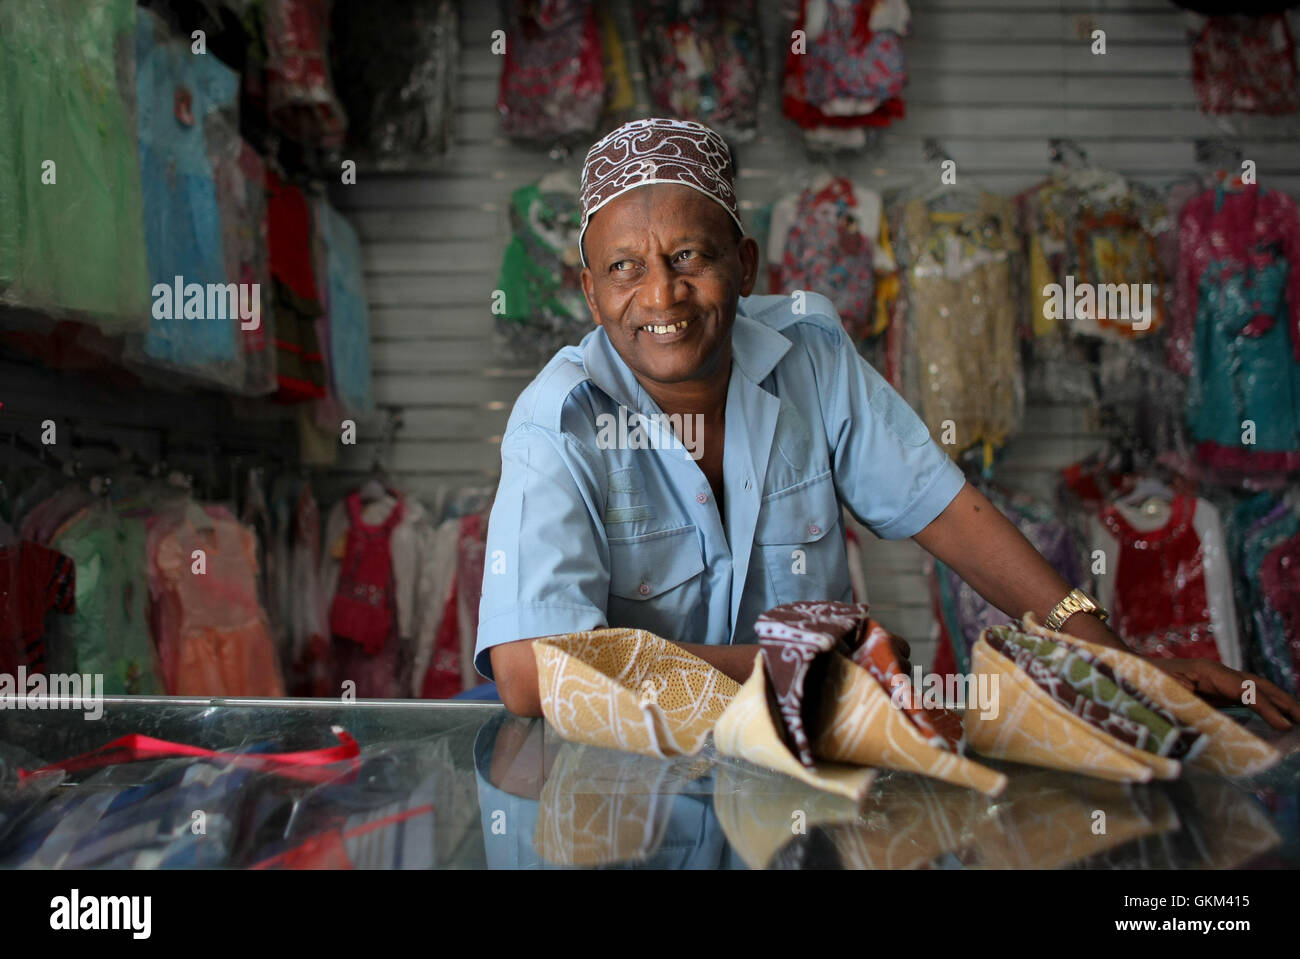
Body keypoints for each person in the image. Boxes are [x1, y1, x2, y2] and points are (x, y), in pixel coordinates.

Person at [475, 117, 1300, 728]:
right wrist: (795, 670)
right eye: (626, 268)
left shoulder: (810, 356)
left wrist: (1120, 666)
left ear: (744, 264)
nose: (660, 295)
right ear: (590, 292)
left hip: (803, 786)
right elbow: (527, 672)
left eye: (689, 256)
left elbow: (950, 513)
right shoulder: (558, 421)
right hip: (626, 802)